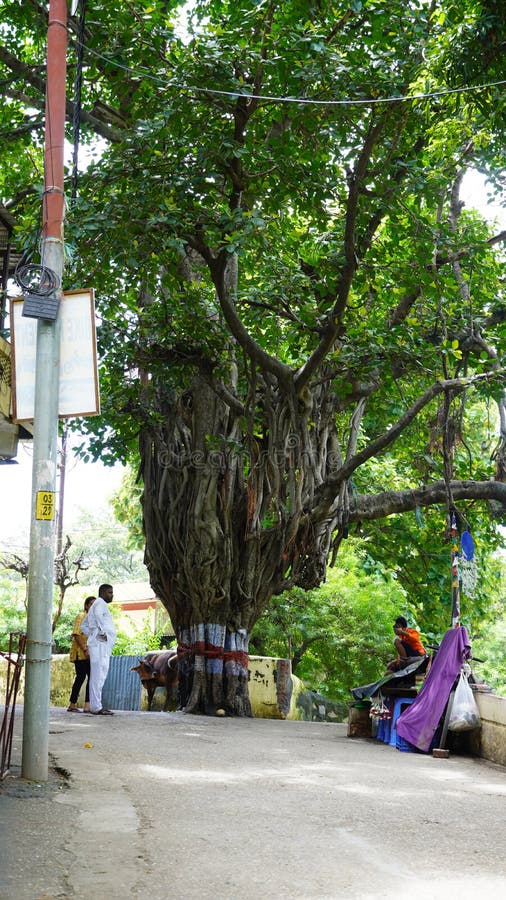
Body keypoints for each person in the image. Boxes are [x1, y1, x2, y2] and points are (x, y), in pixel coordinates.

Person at [81, 583, 117, 715]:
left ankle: (96, 705)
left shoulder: (97, 605)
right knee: (99, 675)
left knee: (99, 674)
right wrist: (102, 634)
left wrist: (93, 635)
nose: (112, 595)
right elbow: (97, 617)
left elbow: (83, 626)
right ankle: (96, 707)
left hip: (99, 643)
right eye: (110, 592)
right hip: (100, 644)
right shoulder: (100, 603)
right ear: (102, 592)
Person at [67, 596, 95, 712]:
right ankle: (72, 704)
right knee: (81, 677)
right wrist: (85, 649)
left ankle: (87, 705)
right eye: (92, 604)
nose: (94, 607)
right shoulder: (81, 616)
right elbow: (76, 634)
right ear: (87, 606)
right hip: (81, 653)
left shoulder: (94, 619)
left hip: (91, 654)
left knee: (91, 678)